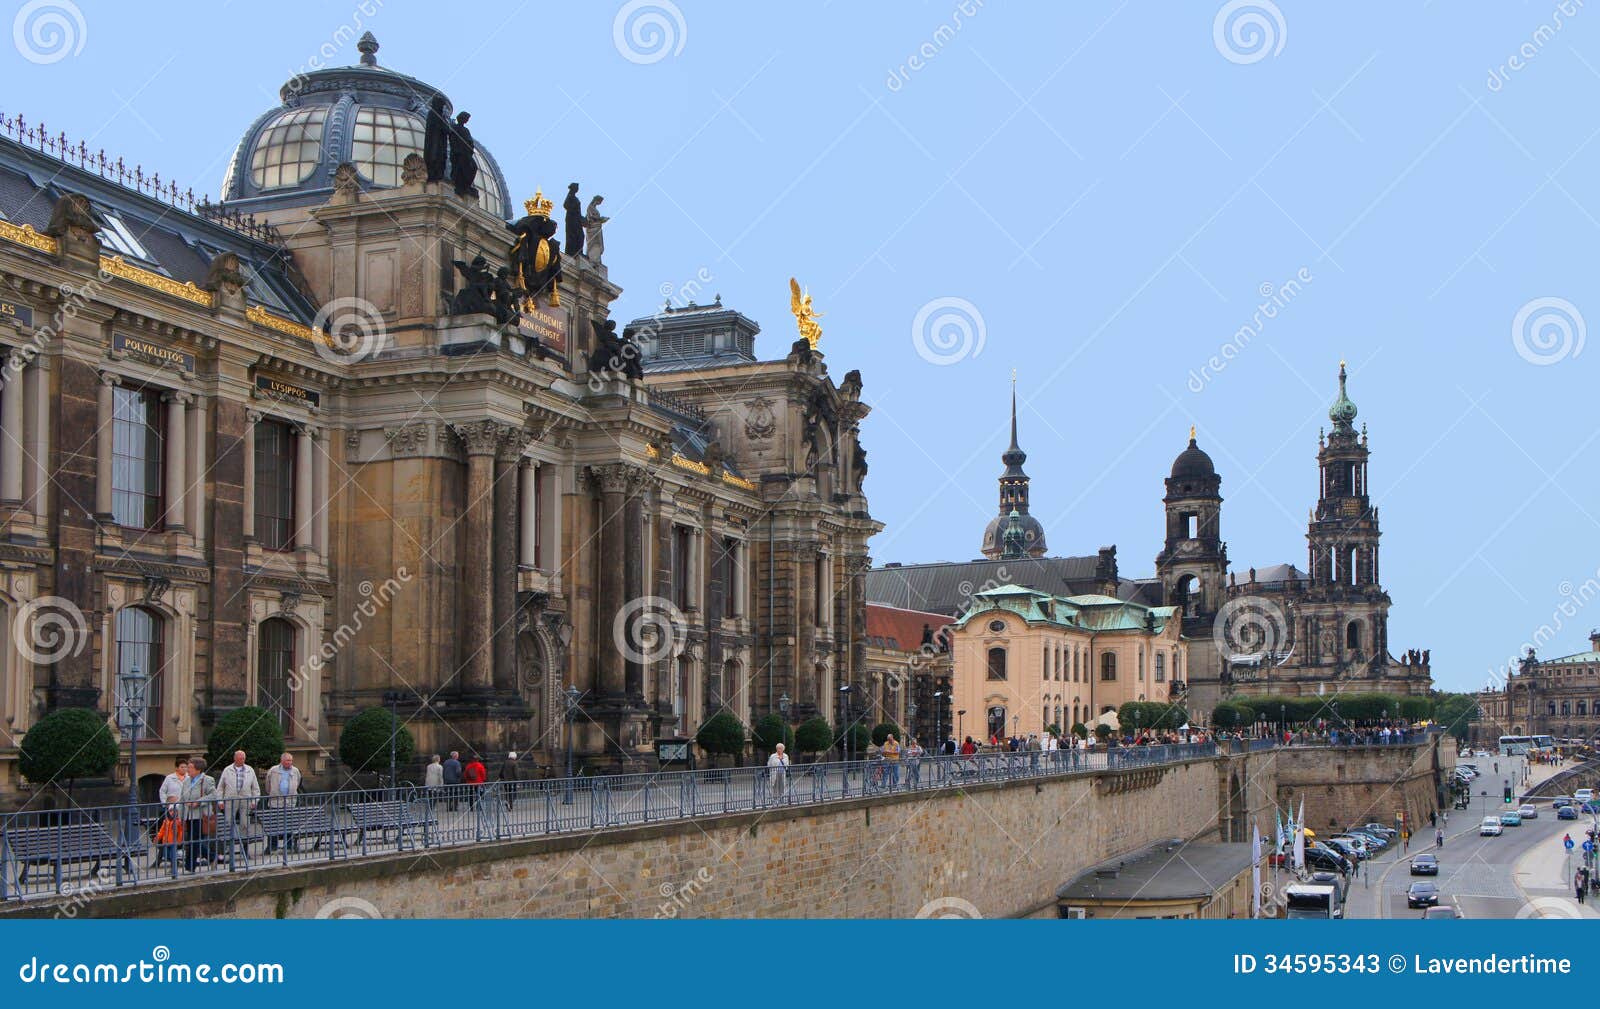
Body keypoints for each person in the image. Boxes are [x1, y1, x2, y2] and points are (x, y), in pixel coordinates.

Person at [214, 749, 260, 859]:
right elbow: (220, 787)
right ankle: (227, 850)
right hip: (230, 799)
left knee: (245, 824)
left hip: (245, 799)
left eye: (243, 758)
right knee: (228, 823)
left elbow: (255, 788)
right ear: (234, 758)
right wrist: (220, 801)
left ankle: (245, 850)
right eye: (239, 758)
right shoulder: (227, 770)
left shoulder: (250, 770)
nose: (241, 760)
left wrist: (255, 801)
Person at [180, 758, 216, 872]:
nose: (188, 770)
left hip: (201, 815)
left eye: (190, 767)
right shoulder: (186, 780)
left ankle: (190, 867)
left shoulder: (207, 780)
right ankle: (212, 857)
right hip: (188, 815)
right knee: (193, 841)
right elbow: (182, 798)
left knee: (194, 840)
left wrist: (199, 802)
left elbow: (214, 795)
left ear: (198, 769)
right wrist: (181, 815)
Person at [263, 752, 303, 854]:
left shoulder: (295, 771)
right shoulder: (273, 770)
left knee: (289, 825)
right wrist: (272, 793)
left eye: (291, 760)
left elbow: (298, 782)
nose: (290, 762)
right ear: (282, 761)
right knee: (274, 825)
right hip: (275, 802)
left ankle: (288, 846)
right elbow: (267, 785)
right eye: (287, 760)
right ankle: (272, 847)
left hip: (290, 802)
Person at [153, 757, 188, 868]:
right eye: (182, 767)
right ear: (177, 768)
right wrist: (165, 804)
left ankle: (179, 853)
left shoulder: (189, 778)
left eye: (186, 767)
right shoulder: (169, 778)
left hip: (184, 809)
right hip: (171, 809)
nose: (184, 769)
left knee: (182, 832)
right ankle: (171, 857)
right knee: (169, 832)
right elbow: (162, 791)